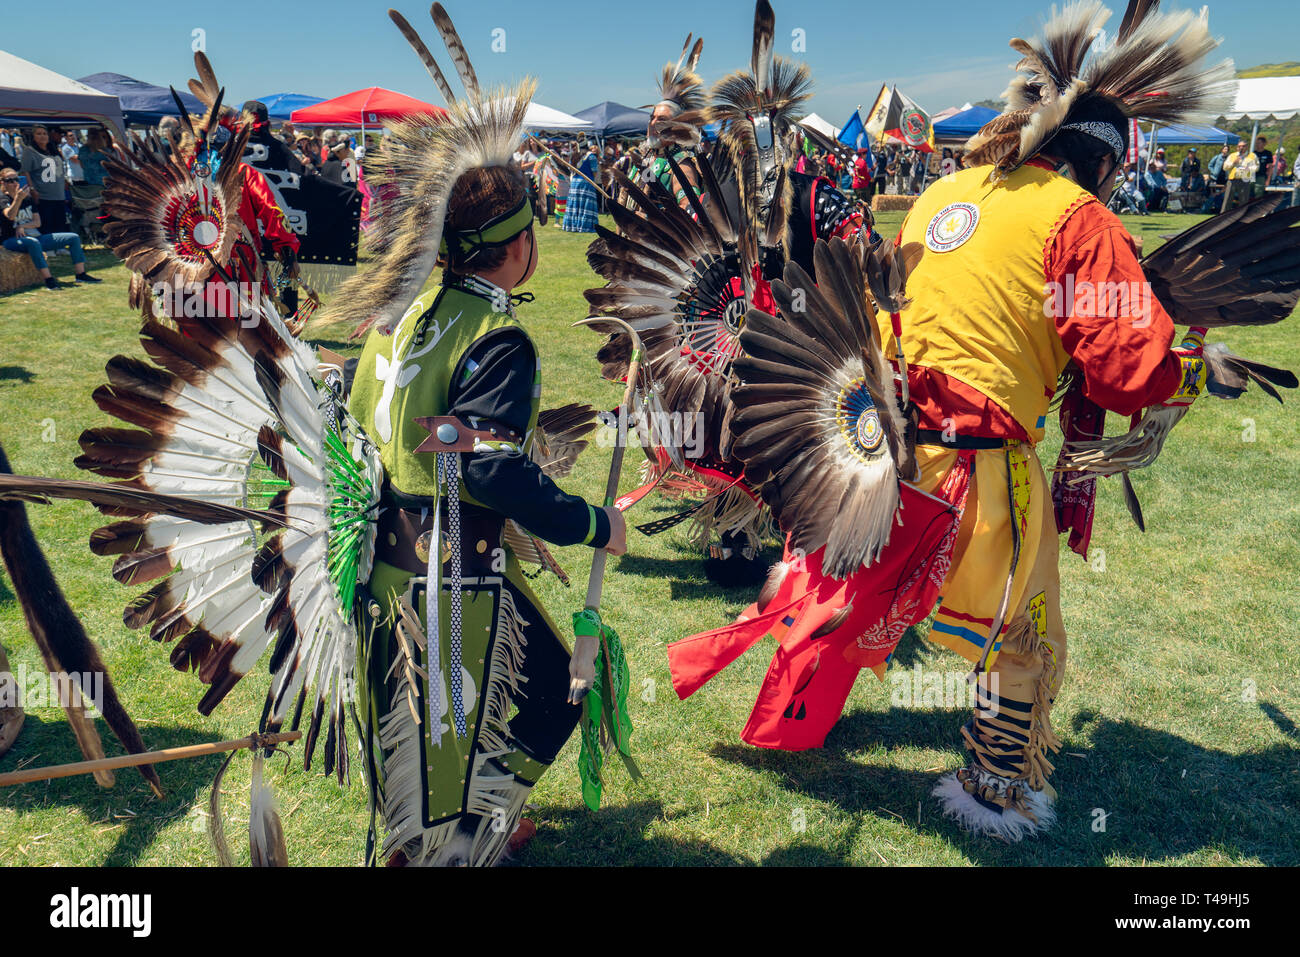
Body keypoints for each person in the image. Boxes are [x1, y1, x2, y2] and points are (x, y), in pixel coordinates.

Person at [669, 0, 1235, 841]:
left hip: (884, 456)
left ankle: (791, 701)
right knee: (1021, 637)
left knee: (847, 593)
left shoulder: (945, 191)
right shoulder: (1079, 219)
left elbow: (910, 310)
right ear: (1107, 168)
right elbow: (1129, 370)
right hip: (985, 473)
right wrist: (1195, 367)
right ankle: (993, 786)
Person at [329, 12, 629, 865]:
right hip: (449, 577)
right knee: (530, 700)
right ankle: (457, 842)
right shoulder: (496, 337)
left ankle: (471, 822)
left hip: (384, 566)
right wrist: (586, 521)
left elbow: (369, 425)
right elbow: (491, 466)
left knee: (449, 722)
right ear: (518, 246)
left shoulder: (402, 310)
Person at [1, 168, 100, 288]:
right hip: (11, 240)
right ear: (3, 183)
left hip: (36, 237)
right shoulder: (3, 199)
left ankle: (81, 274)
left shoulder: (27, 199)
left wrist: (22, 225)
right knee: (33, 243)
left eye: (16, 179)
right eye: (10, 180)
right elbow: (10, 215)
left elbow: (38, 222)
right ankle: (49, 280)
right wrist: (18, 199)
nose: (14, 182)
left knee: (73, 237)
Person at [19, 125, 69, 234]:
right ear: (33, 137)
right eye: (39, 134)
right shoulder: (29, 151)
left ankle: (60, 247)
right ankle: (49, 249)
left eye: (44, 133)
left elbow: (59, 168)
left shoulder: (53, 150)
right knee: (47, 224)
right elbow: (25, 171)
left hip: (59, 194)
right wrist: (32, 189)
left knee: (60, 223)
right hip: (43, 195)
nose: (42, 136)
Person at [561, 140, 600, 232]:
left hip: (575, 184)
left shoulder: (574, 156)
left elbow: (571, 169)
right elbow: (594, 172)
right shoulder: (591, 157)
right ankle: (584, 227)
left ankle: (572, 226)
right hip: (586, 183)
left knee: (575, 205)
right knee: (585, 206)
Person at [1222, 139, 1258, 212]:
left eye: (1243, 146)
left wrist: (1246, 170)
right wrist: (1233, 163)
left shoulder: (1252, 156)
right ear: (1237, 147)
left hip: (1244, 179)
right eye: (1239, 146)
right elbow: (1225, 167)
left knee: (1243, 200)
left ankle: (1242, 216)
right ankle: (1223, 215)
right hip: (1232, 180)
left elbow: (1256, 167)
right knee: (1227, 199)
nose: (1241, 148)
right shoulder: (1232, 155)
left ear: (1247, 147)